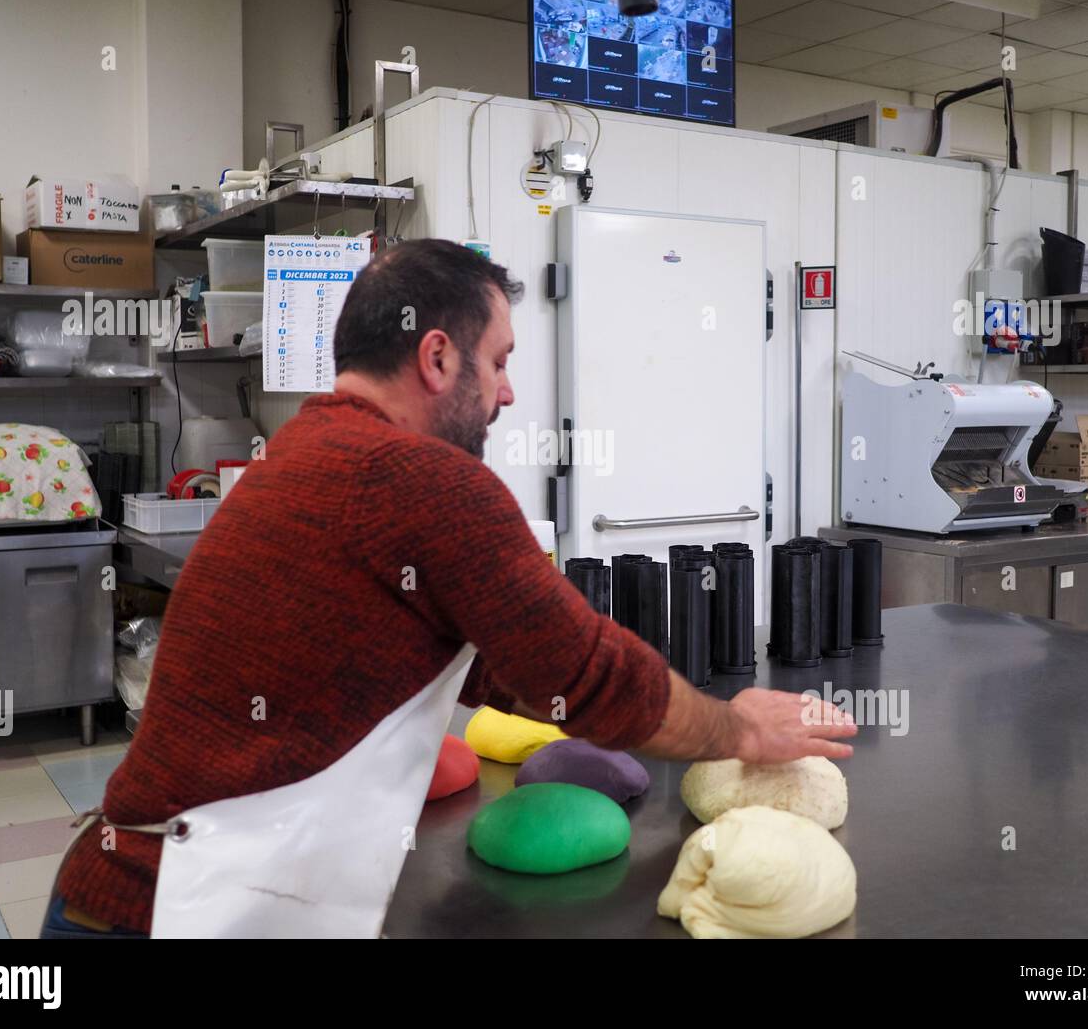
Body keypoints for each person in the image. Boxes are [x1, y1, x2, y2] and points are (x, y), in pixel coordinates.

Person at [42, 238, 855, 939]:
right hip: (167, 907)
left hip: (133, 888)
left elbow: (498, 664)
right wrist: (734, 729)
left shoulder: (304, 449)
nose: (508, 392)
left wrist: (593, 675)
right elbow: (580, 675)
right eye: (499, 361)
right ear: (435, 356)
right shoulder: (423, 479)